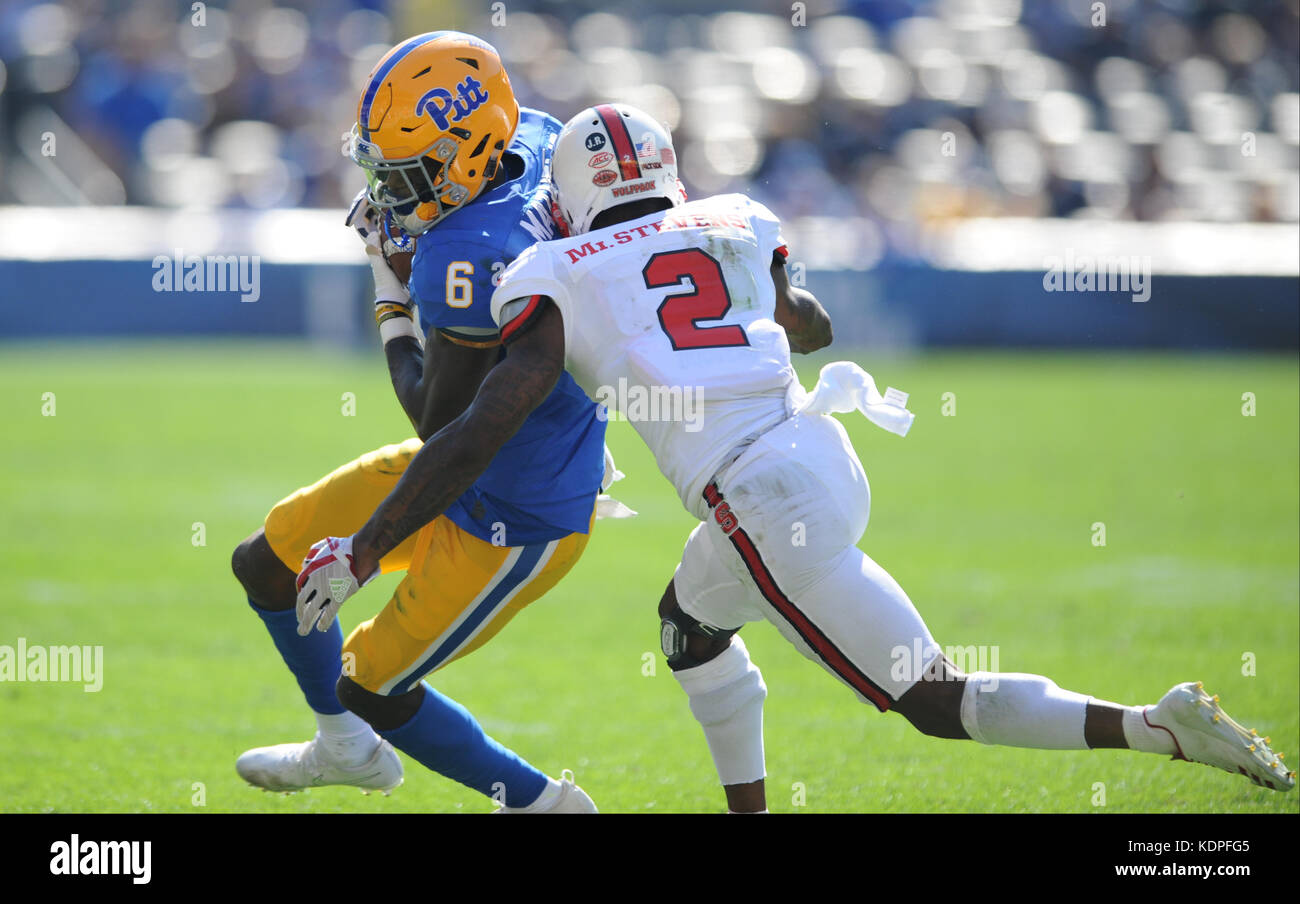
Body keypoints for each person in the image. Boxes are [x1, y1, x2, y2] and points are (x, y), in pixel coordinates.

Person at [294, 102, 1295, 812]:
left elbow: (473, 429)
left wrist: (367, 541)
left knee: (935, 700)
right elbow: (808, 325)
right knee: (689, 626)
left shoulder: (551, 266)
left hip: (759, 497)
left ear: (569, 190)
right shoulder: (736, 219)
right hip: (818, 451)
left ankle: (1155, 726)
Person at [230, 32, 610, 813]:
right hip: (485, 454)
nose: (395, 192)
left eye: (410, 173)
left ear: (467, 147)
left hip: (518, 510)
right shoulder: (534, 137)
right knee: (266, 562)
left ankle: (544, 805)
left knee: (373, 683)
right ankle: (342, 747)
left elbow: (435, 417)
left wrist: (388, 289)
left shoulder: (467, 254)